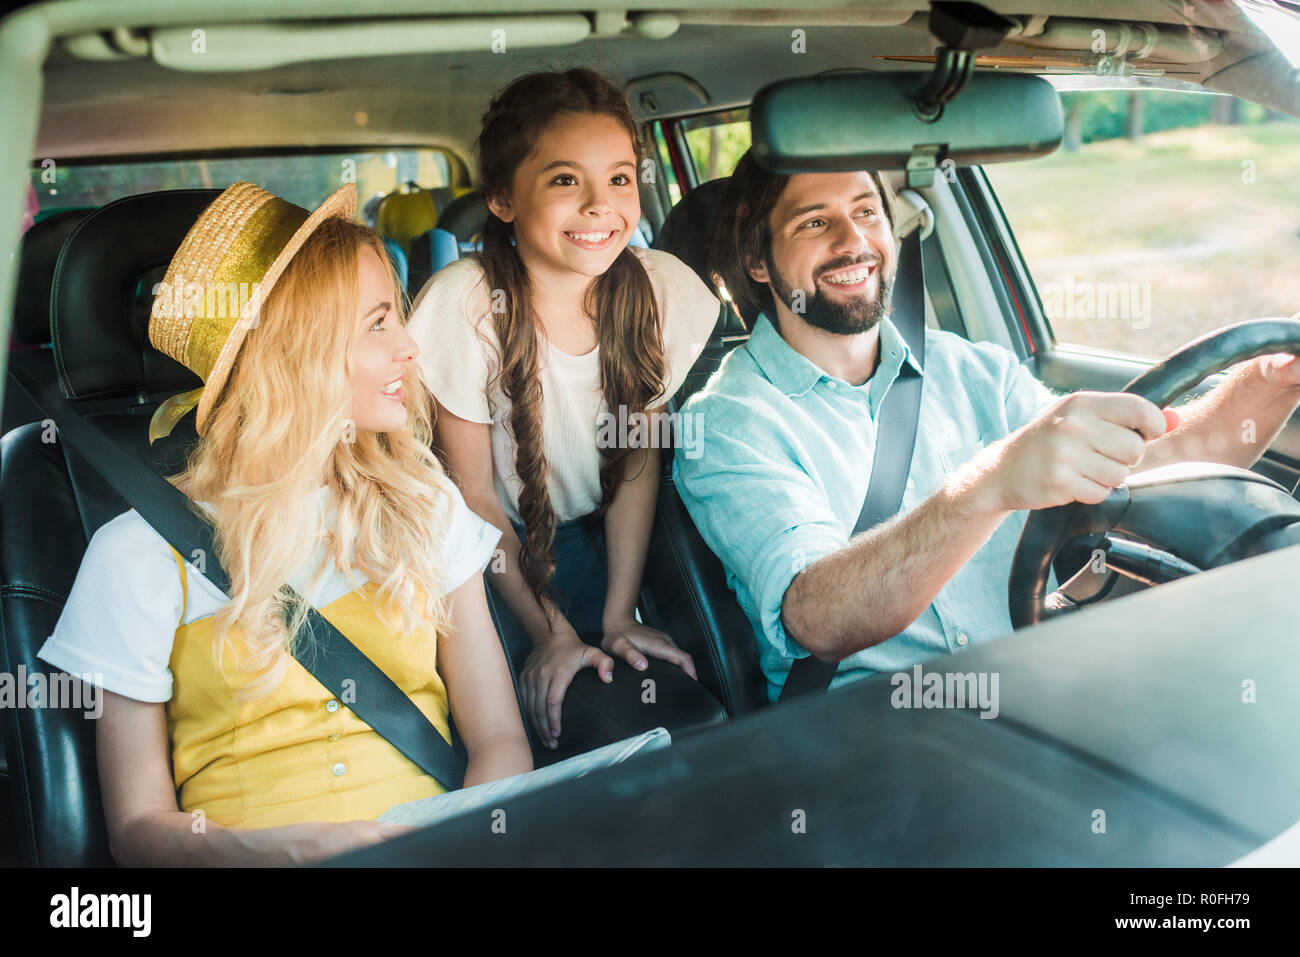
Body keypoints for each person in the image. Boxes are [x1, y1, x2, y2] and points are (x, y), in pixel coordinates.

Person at [675, 150, 1300, 702]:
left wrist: (1273, 377)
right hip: (872, 725)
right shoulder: (727, 422)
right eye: (815, 222)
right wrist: (991, 482)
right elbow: (817, 618)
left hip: (1039, 680)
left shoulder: (967, 366)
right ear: (758, 260)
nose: (853, 241)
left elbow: (1155, 461)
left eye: (867, 212)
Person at [39, 181, 533, 865]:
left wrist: (466, 847)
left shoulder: (427, 505)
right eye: (378, 322)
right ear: (294, 353)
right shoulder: (136, 555)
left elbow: (501, 741)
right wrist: (280, 849)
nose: (409, 347)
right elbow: (137, 830)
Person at [408, 69, 725, 753]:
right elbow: (474, 497)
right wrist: (550, 631)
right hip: (486, 564)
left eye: (618, 178)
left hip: (603, 551)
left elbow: (636, 461)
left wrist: (618, 612)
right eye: (563, 181)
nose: (599, 205)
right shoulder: (465, 304)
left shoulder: (658, 290)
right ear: (500, 198)